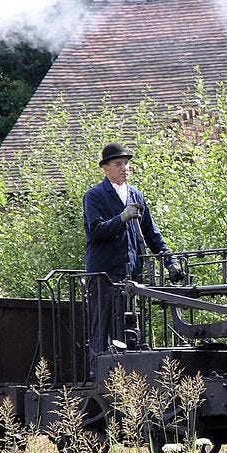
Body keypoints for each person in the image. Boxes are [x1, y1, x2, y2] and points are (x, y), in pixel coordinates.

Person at [83, 142, 183, 372]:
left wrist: (170, 261)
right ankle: (97, 375)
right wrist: (121, 218)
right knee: (103, 326)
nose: (124, 168)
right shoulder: (95, 196)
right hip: (105, 272)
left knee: (130, 325)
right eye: (118, 164)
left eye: (126, 164)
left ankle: (129, 375)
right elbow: (95, 231)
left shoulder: (135, 194)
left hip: (131, 271)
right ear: (106, 168)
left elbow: (151, 233)